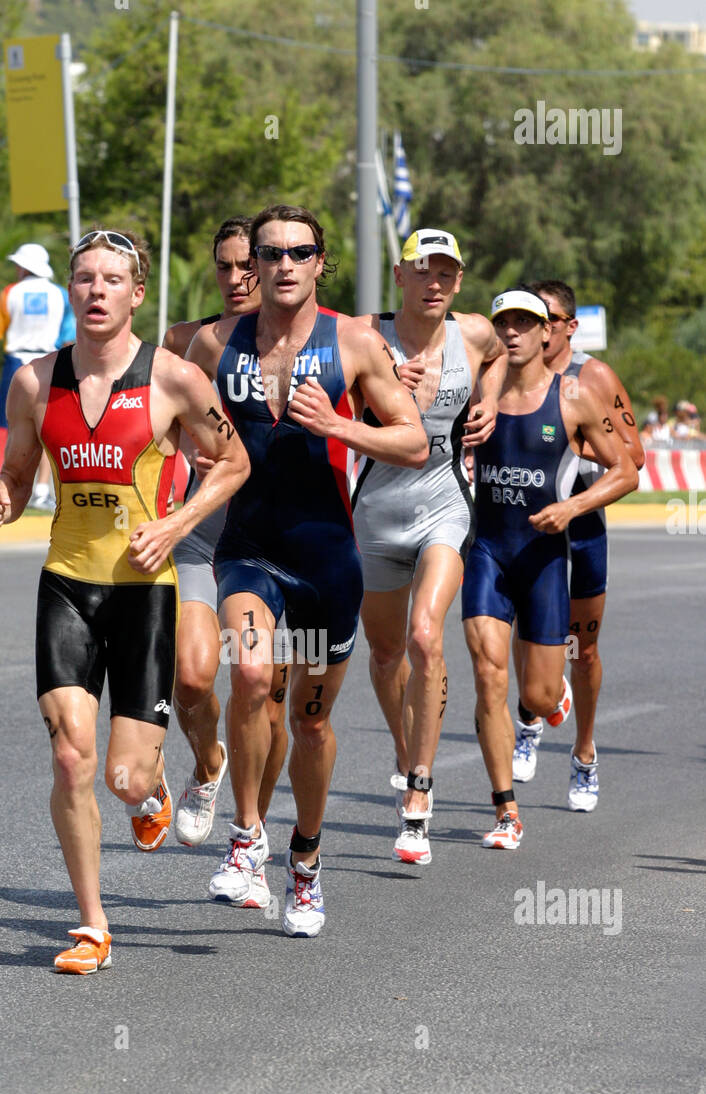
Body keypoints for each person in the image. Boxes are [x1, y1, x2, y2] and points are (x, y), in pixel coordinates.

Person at [0, 228, 250, 974]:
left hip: (143, 592)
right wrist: (1, 502)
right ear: (72, 290)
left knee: (123, 779)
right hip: (67, 582)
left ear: (136, 293)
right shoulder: (34, 383)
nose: (96, 290)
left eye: (111, 279)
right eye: (84, 278)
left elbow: (234, 462)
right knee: (70, 757)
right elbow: (20, 475)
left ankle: (155, 783)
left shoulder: (173, 380)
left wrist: (178, 522)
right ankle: (92, 926)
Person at [187, 204, 427, 935]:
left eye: (299, 252)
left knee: (312, 724)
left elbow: (414, 441)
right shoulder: (211, 344)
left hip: (326, 557)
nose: (284, 264)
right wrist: (184, 453)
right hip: (249, 550)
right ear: (250, 264)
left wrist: (338, 426)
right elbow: (165, 412)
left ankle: (308, 861)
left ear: (320, 263)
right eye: (270, 252)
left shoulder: (351, 342)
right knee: (252, 676)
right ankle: (245, 836)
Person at [352, 228, 507, 864]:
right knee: (387, 653)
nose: (435, 283)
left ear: (460, 281)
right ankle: (403, 743)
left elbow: (499, 355)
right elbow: (319, 383)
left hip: (444, 504)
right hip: (376, 511)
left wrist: (490, 399)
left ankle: (419, 785)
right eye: (423, 271)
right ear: (399, 274)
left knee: (424, 636)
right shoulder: (363, 334)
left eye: (446, 273)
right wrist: (372, 388)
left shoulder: (472, 333)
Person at [462, 290, 638, 848]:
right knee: (489, 674)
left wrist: (571, 507)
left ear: (550, 333)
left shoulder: (577, 394)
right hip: (486, 549)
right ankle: (505, 812)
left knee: (537, 696)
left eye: (526, 323)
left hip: (544, 554)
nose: (513, 331)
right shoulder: (478, 385)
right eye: (505, 322)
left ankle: (556, 711)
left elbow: (628, 469)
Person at [164, 217, 290, 868]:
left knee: (265, 697)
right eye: (226, 266)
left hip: (279, 539)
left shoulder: (299, 342)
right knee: (191, 677)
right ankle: (209, 762)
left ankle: (251, 829)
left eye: (252, 264)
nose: (238, 278)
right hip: (202, 529)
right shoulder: (183, 343)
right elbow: (154, 432)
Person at [510, 280, 644, 812]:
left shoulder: (592, 377)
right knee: (527, 633)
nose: (540, 332)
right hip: (523, 516)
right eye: (532, 319)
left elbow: (633, 456)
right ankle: (528, 717)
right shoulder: (507, 367)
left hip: (581, 514)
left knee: (581, 648)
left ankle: (584, 754)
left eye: (552, 320)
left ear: (568, 326)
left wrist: (571, 435)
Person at [0, 242, 75, 510]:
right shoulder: (61, 295)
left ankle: (11, 487)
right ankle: (42, 491)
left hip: (17, 365)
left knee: (16, 427)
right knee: (50, 428)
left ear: (24, 267)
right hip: (51, 362)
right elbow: (69, 338)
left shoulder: (10, 293)